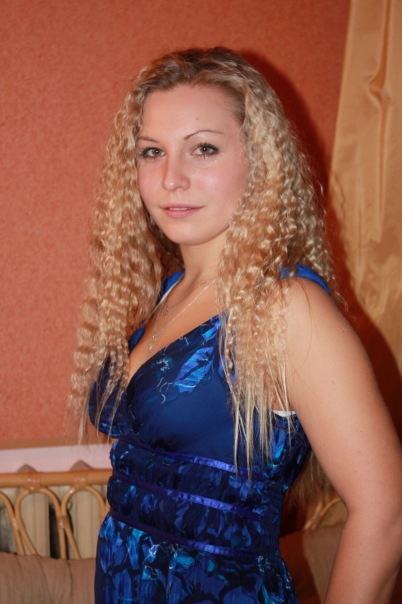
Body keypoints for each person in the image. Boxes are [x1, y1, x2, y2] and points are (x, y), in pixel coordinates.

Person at [69, 47, 402, 603]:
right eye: (152, 151)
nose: (171, 178)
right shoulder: (168, 294)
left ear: (259, 162)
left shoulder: (288, 307)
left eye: (203, 148)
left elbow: (387, 509)